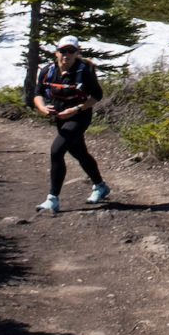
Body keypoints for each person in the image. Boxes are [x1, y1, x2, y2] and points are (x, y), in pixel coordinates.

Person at [33, 35, 111, 214]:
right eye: (63, 51)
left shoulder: (84, 72)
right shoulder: (47, 71)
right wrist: (43, 108)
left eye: (71, 51)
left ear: (77, 53)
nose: (66, 55)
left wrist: (75, 109)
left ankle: (52, 199)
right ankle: (100, 186)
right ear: (56, 52)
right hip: (60, 118)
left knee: (56, 150)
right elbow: (37, 93)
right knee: (80, 153)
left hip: (79, 117)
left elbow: (97, 96)